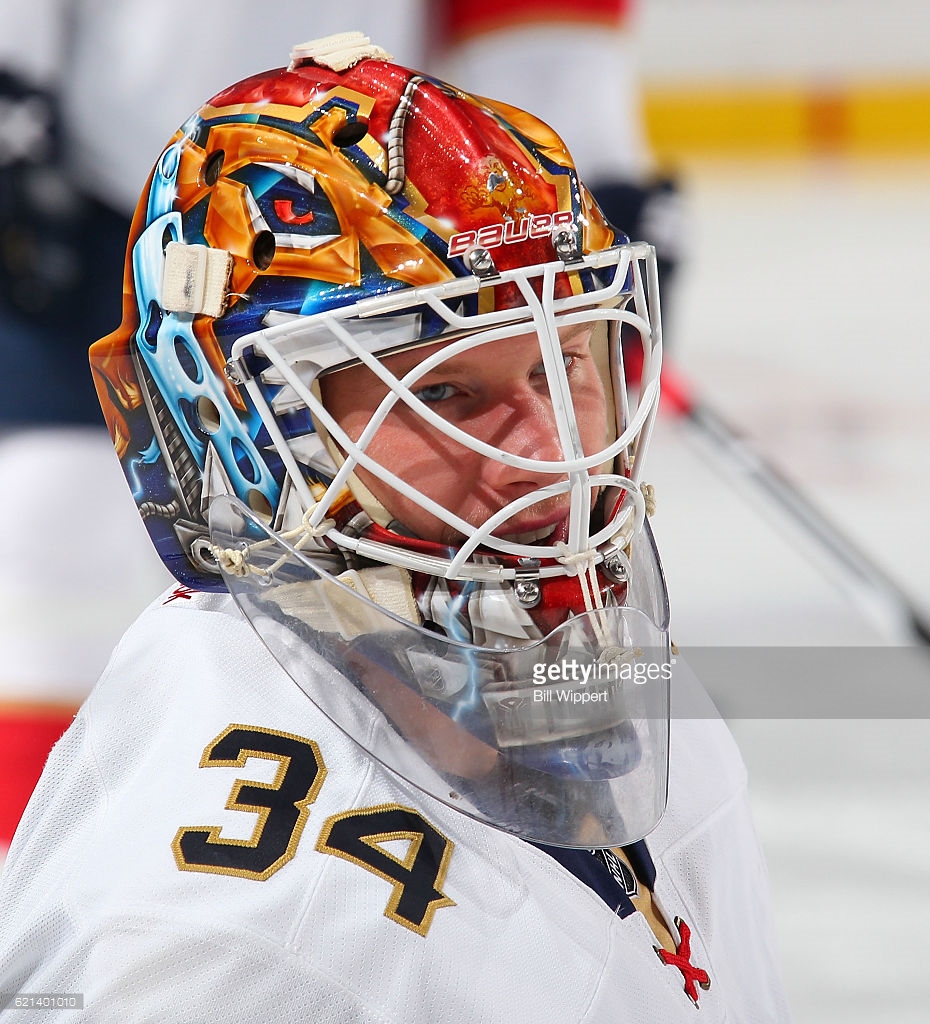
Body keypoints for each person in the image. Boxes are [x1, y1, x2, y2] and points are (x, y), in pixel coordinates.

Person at [0, 33, 786, 1021]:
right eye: (446, 392)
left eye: (560, 362)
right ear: (253, 433)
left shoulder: (608, 680)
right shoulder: (243, 949)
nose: (549, 452)